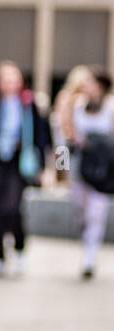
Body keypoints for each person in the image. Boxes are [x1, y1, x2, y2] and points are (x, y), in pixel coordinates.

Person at [0, 61, 52, 277]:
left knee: (12, 208)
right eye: (5, 80)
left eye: (13, 79)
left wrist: (44, 166)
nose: (9, 84)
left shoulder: (28, 103)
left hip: (19, 160)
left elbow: (43, 135)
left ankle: (19, 248)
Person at [60, 67, 114, 279]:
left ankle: (89, 258)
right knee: (81, 210)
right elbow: (63, 139)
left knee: (96, 213)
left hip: (102, 170)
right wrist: (61, 170)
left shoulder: (110, 108)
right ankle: (86, 239)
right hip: (79, 167)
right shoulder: (75, 105)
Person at [52, 65, 94, 186]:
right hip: (64, 140)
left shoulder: (85, 99)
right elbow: (61, 118)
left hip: (76, 141)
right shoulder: (66, 96)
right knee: (62, 170)